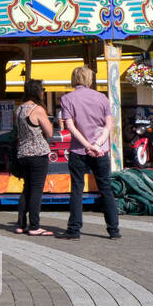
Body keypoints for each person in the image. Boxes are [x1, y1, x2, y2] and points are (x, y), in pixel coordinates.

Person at [58, 65, 121, 241]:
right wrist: (97, 144)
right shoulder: (102, 98)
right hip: (101, 150)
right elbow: (109, 124)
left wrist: (87, 145)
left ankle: (74, 229)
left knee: (77, 189)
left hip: (79, 150)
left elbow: (70, 126)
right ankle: (113, 230)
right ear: (89, 78)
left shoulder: (67, 99)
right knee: (105, 188)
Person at [13, 79, 56, 236]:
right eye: (42, 89)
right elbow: (49, 133)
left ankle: (20, 224)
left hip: (23, 153)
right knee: (36, 190)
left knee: (27, 189)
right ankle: (35, 226)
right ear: (38, 91)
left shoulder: (19, 109)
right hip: (38, 154)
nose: (43, 92)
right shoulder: (37, 110)